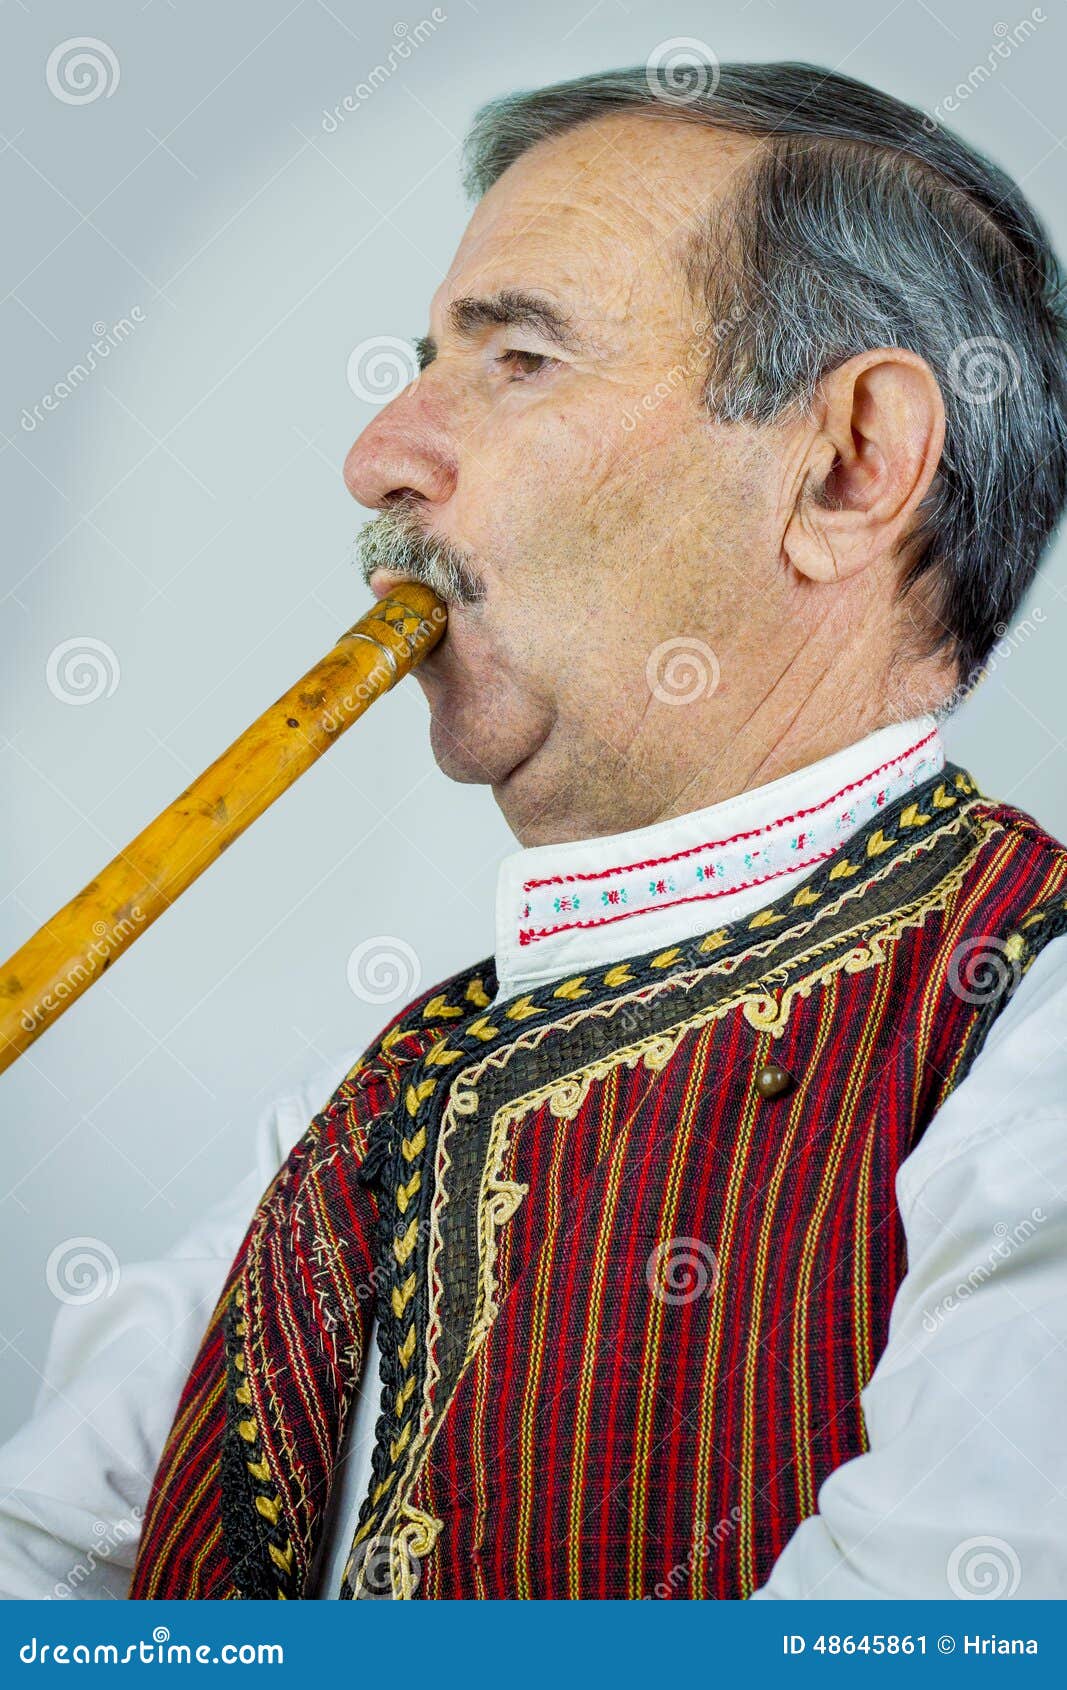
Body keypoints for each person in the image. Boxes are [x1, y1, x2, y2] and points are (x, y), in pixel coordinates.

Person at [2, 60, 1066, 1601]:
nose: (381, 456)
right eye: (430, 358)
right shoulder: (364, 1103)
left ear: (849, 465)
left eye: (518, 359)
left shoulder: (1030, 1038)